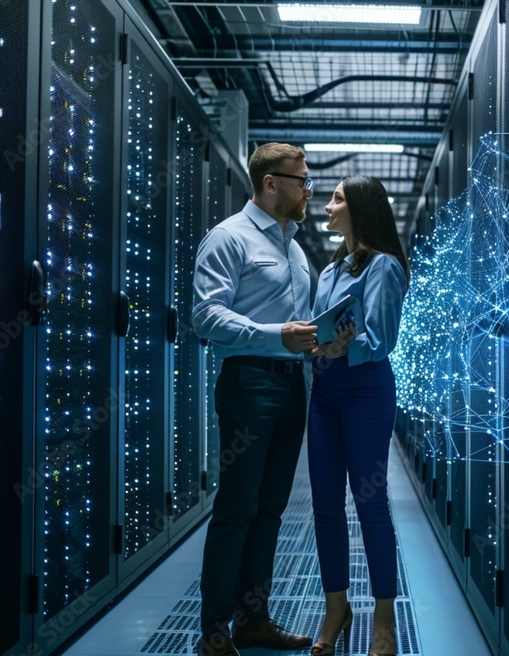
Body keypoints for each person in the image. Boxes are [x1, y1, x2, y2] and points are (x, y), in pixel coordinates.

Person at [192, 143, 323, 656]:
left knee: (270, 509)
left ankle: (254, 620)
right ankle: (214, 631)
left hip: (293, 384)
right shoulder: (229, 238)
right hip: (249, 382)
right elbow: (206, 317)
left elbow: (301, 323)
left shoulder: (294, 246)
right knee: (237, 507)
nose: (307, 189)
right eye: (301, 180)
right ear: (271, 182)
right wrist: (276, 335)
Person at [307, 176, 410, 656]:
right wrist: (319, 344)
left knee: (370, 504)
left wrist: (341, 345)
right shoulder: (329, 272)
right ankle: (337, 608)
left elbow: (381, 339)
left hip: (366, 391)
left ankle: (384, 620)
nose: (327, 206)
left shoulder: (384, 266)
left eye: (338, 199)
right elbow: (316, 331)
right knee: (325, 504)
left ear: (361, 208)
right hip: (325, 393)